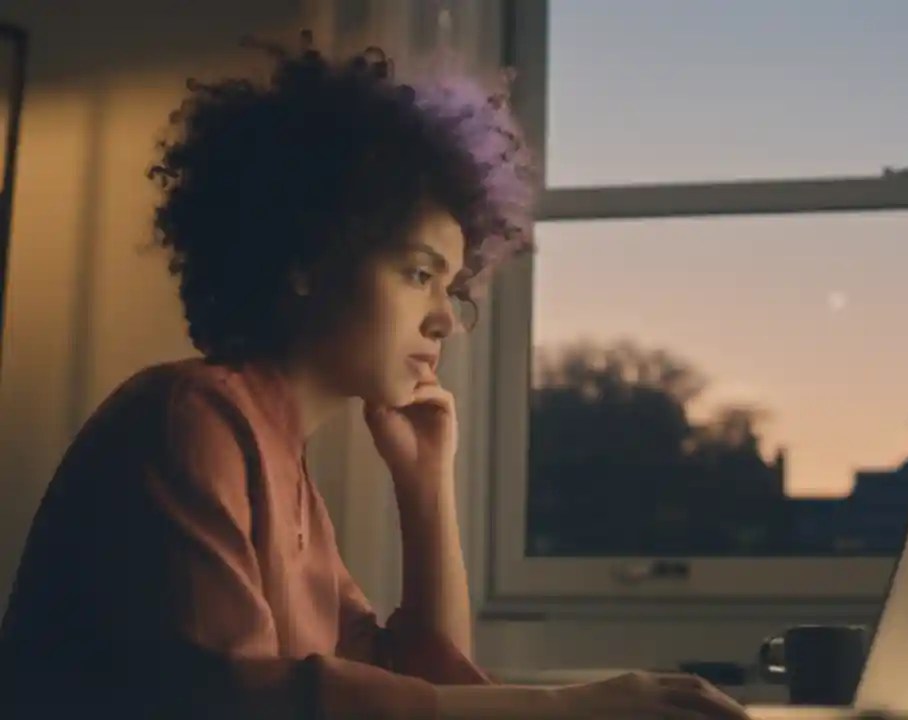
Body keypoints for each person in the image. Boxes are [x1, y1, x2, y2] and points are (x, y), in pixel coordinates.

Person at [0, 31, 750, 720]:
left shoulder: (280, 460)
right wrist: (571, 708)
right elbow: (239, 702)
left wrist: (425, 492)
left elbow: (423, 683)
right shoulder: (189, 415)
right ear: (305, 259)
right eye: (417, 273)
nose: (445, 321)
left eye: (450, 287)